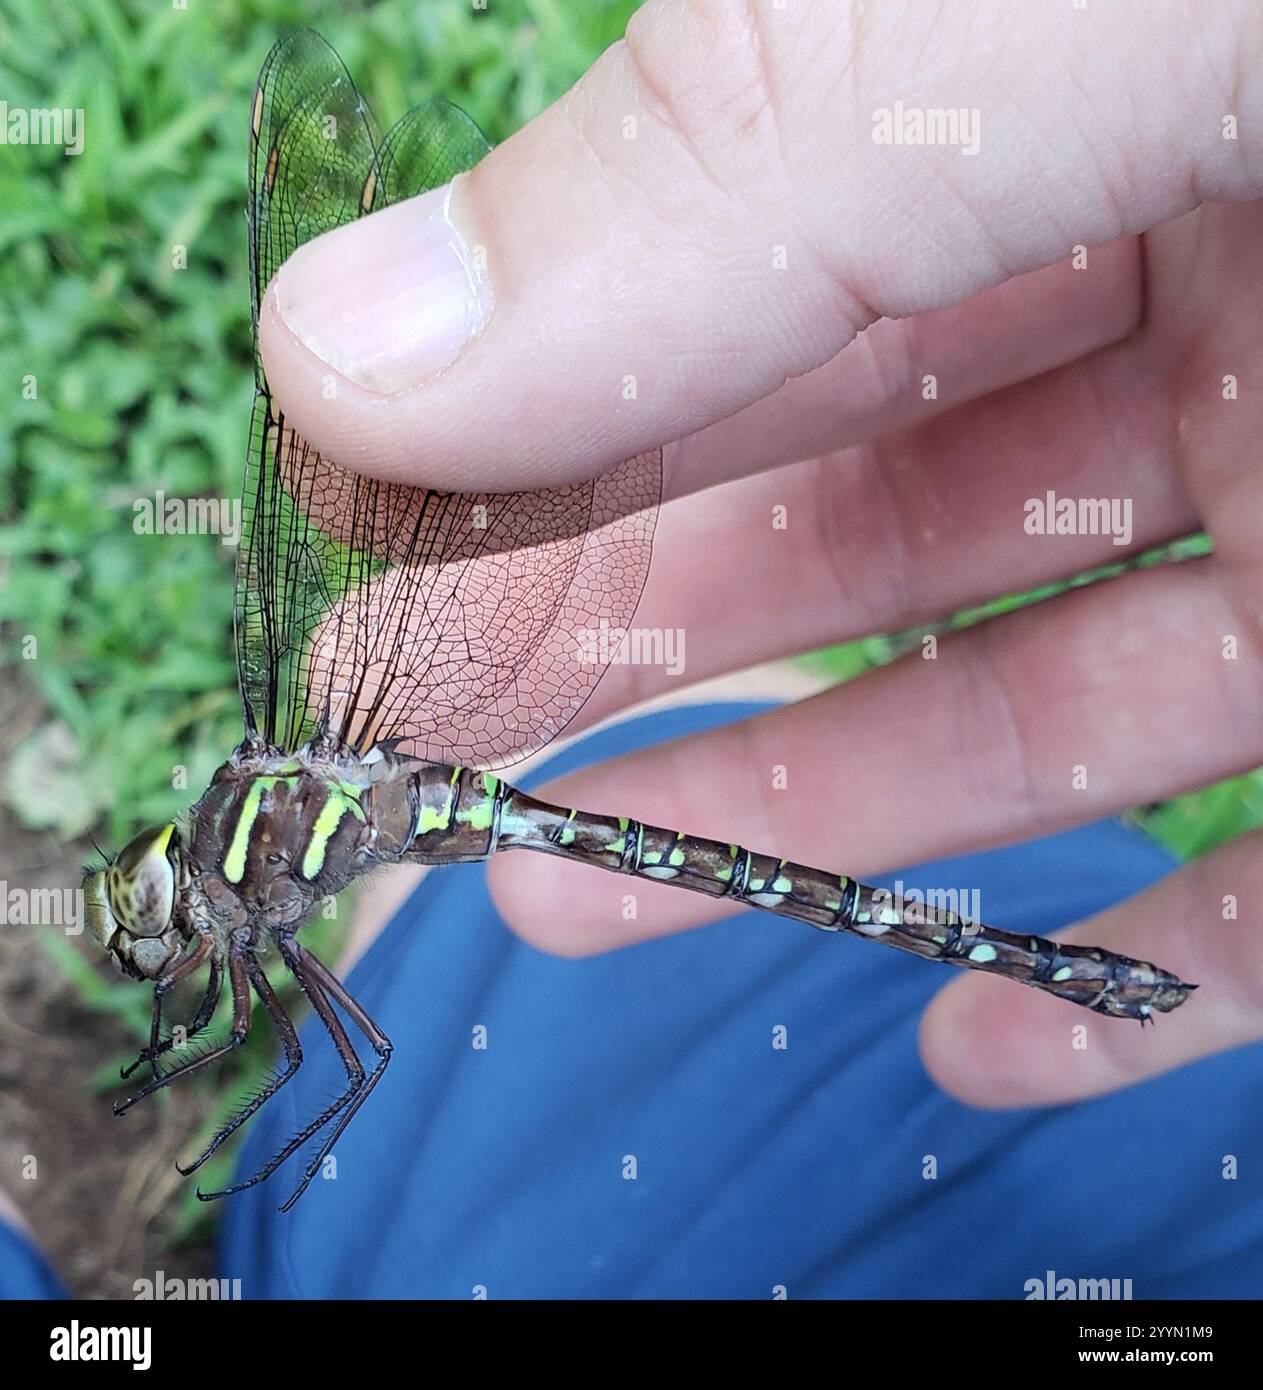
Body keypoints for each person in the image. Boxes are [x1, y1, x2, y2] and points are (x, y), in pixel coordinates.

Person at [10, 0, 1262, 1298]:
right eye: (146, 910)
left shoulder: (251, 864)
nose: (157, 924)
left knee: (396, 1060)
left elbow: (313, 1038)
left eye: (151, 907)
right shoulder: (261, 843)